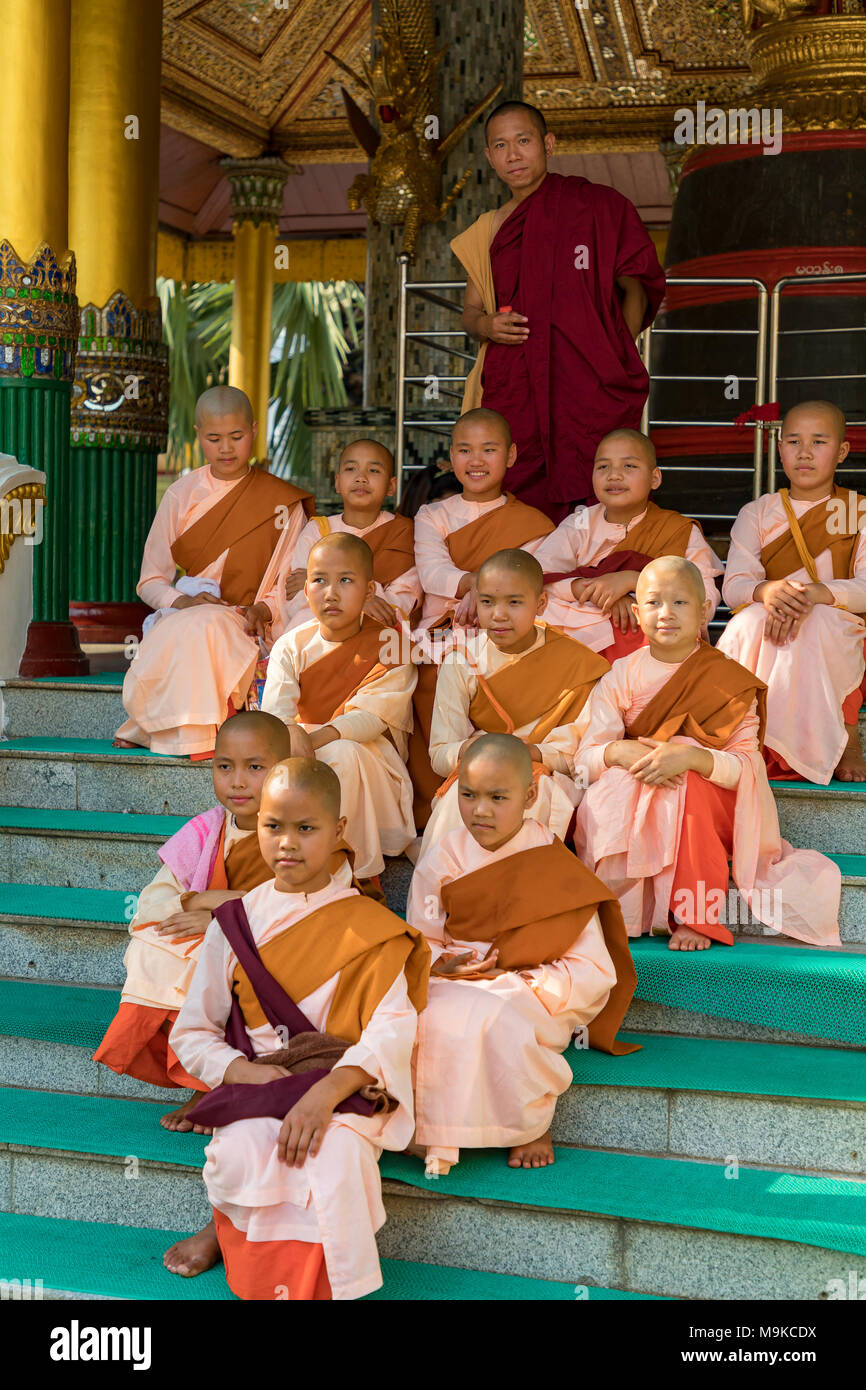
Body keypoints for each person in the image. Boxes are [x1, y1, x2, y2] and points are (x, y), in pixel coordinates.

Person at [170, 758, 430, 1300]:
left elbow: (390, 1032)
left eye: (306, 828)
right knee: (239, 1150)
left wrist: (325, 1093)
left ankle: (330, 1289)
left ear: (337, 831)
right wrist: (243, 1073)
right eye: (273, 826)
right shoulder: (235, 923)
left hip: (342, 1088)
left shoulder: (371, 928)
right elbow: (192, 1034)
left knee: (332, 1157)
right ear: (256, 824)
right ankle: (240, 1254)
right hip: (261, 1083)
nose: (287, 844)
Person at [574, 557, 841, 950]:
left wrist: (691, 757)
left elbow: (747, 768)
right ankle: (624, 909)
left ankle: (696, 916)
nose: (666, 614)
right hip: (640, 781)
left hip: (707, 798)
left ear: (703, 611)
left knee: (689, 785)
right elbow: (585, 758)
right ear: (636, 612)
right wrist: (620, 750)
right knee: (610, 787)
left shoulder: (727, 679)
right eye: (653, 603)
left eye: (680, 603)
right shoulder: (621, 674)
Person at [407, 733, 636, 1177]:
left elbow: (589, 966)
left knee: (493, 1013)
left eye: (498, 796)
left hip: (532, 980)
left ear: (530, 795)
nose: (481, 810)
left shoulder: (550, 862)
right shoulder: (443, 857)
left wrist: (518, 979)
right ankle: (435, 1127)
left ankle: (526, 1124)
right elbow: (422, 939)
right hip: (455, 976)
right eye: (469, 795)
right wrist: (441, 964)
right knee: (418, 1012)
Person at [451, 101, 666, 521]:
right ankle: (524, 572)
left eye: (524, 140)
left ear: (549, 144)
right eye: (501, 145)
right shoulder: (489, 228)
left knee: (600, 478)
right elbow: (470, 312)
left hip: (590, 378)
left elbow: (637, 283)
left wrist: (616, 347)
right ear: (489, 157)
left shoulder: (598, 206)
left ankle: (592, 572)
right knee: (518, 480)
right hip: (517, 377)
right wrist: (488, 325)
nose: (514, 154)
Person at [94, 711, 292, 1125]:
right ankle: (203, 1081)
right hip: (218, 933)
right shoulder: (206, 830)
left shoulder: (297, 828)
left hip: (272, 942)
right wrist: (194, 903)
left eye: (255, 767)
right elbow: (154, 901)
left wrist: (224, 913)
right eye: (224, 767)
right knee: (153, 948)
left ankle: (222, 1087)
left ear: (285, 770)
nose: (237, 781)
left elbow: (307, 903)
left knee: (217, 960)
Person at [114, 386, 313, 756]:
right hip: (187, 610)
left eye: (236, 437)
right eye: (214, 438)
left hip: (249, 619)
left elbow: (291, 581)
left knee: (208, 625)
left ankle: (186, 734)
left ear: (254, 430)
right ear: (197, 435)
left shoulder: (282, 502)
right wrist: (183, 601)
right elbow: (150, 581)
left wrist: (262, 609)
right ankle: (160, 725)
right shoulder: (181, 494)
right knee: (190, 625)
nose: (226, 448)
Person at [410, 407, 553, 824]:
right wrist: (476, 584)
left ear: (510, 456)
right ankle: (432, 807)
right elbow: (433, 572)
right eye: (465, 450)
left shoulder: (535, 524)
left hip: (507, 632)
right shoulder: (432, 516)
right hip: (442, 630)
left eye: (488, 450)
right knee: (423, 677)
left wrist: (486, 595)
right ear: (450, 457)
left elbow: (531, 581)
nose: (476, 461)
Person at [717, 401, 866, 784]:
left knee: (817, 622)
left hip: (835, 620)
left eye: (818, 441)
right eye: (793, 441)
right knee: (748, 622)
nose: (803, 452)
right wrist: (767, 591)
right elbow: (734, 586)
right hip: (769, 614)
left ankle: (845, 739)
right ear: (778, 448)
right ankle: (749, 739)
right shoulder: (759, 512)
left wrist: (816, 595)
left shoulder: (856, 511)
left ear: (843, 451)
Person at [421, 549, 608, 852]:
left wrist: (527, 754)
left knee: (533, 794)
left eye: (514, 602)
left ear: (541, 604)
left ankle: (520, 889)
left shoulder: (577, 663)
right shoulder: (462, 661)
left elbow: (578, 758)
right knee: (462, 795)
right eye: (487, 602)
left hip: (544, 776)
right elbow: (441, 754)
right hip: (479, 768)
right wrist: (474, 750)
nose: (498, 614)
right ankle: (449, 888)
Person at [261, 534, 417, 883]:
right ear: (306, 591)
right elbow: (276, 716)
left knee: (343, 753)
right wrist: (292, 735)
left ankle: (351, 875)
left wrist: (307, 740)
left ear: (370, 590)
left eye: (345, 580)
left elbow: (370, 719)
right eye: (319, 580)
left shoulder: (392, 646)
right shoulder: (292, 645)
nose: (330, 593)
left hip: (371, 765)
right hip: (302, 754)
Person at [533, 429, 723, 659]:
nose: (614, 475)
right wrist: (594, 591)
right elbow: (538, 576)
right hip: (580, 623)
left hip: (639, 630)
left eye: (629, 466)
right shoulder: (579, 524)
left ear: (655, 478)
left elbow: (704, 598)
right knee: (534, 610)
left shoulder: (678, 530)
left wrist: (634, 583)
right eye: (603, 467)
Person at [278, 439, 421, 633]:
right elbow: (297, 594)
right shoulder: (318, 530)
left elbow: (402, 602)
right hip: (320, 627)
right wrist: (361, 599)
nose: (361, 477)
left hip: (374, 630)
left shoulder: (403, 533)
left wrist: (331, 585)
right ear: (337, 482)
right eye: (351, 469)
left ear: (391, 485)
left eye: (374, 471)